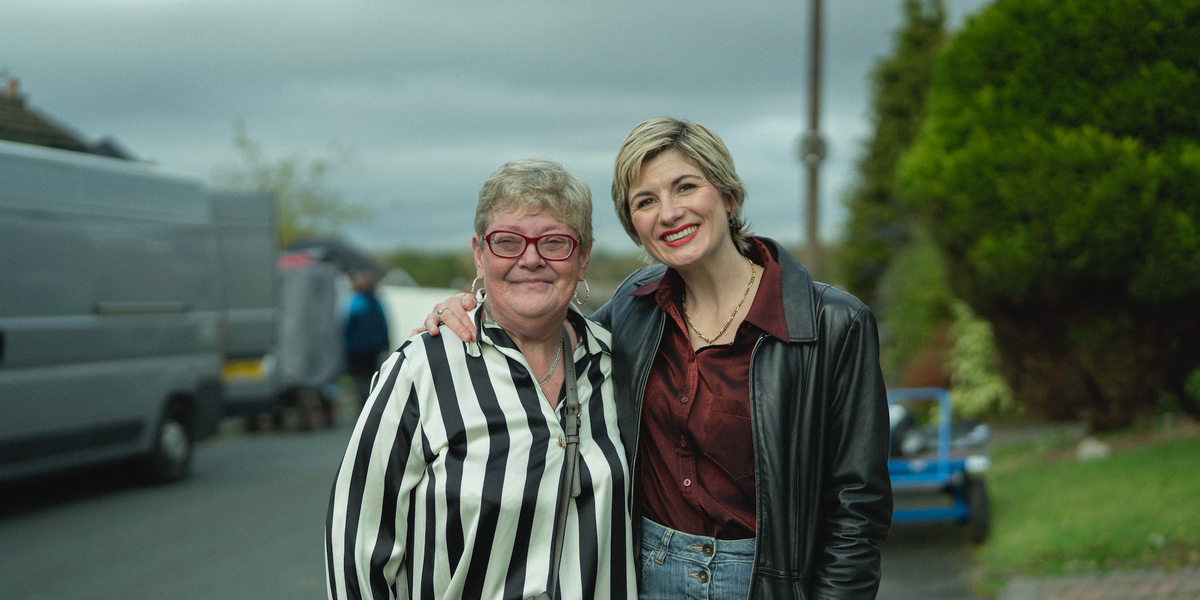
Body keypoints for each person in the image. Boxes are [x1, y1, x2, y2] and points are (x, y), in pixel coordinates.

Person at [422, 117, 893, 599]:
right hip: (640, 574)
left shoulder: (833, 323)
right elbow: (543, 330)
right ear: (635, 226)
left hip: (767, 583)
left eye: (685, 187)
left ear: (727, 195)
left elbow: (857, 508)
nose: (668, 213)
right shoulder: (632, 309)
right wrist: (468, 311)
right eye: (645, 201)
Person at [326, 158, 636, 600]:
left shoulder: (620, 366)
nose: (531, 259)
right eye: (507, 242)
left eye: (555, 242)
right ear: (479, 253)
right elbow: (355, 550)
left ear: (583, 257)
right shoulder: (421, 371)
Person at [343, 269, 390, 404]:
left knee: (360, 379)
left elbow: (346, 325)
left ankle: (364, 403)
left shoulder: (355, 302)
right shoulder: (377, 302)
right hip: (373, 348)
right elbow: (384, 325)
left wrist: (344, 345)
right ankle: (369, 402)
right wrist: (386, 345)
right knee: (371, 378)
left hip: (356, 348)